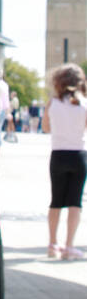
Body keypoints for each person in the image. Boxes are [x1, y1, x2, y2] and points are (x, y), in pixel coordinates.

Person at [43, 63, 87, 260]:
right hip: (78, 154)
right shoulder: (84, 104)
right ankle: (69, 246)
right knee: (74, 202)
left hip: (58, 154)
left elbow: (45, 128)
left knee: (56, 201)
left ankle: (53, 244)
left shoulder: (52, 103)